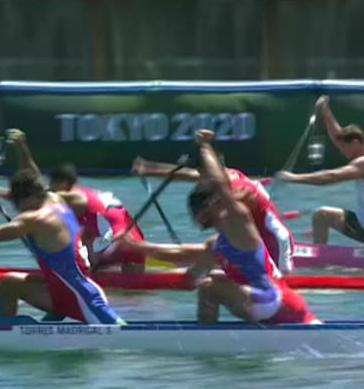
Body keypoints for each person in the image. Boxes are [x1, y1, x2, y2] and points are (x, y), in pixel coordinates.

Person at [123, 130, 316, 325]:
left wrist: (204, 145)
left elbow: (219, 184)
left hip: (273, 243)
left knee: (212, 286)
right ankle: (218, 334)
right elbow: (184, 262)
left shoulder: (234, 202)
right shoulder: (216, 237)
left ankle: (209, 336)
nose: (194, 217)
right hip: (268, 287)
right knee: (215, 279)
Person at [0, 169, 124, 324]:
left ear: (27, 199)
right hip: (69, 290)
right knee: (9, 282)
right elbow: (31, 176)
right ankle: (6, 327)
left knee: (118, 329)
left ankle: (9, 332)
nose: (16, 209)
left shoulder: (37, 218)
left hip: (79, 300)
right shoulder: (56, 199)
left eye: (17, 203)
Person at [0, 129, 146, 272]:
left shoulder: (70, 198)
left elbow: (34, 189)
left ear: (64, 183)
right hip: (131, 240)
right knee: (129, 291)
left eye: (54, 183)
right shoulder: (78, 193)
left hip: (119, 243)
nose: (50, 187)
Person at [275, 95, 364, 249]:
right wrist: (326, 113)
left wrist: (294, 178)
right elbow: (338, 137)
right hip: (362, 226)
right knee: (322, 215)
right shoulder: (360, 154)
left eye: (344, 148)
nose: (342, 152)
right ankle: (320, 258)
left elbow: (330, 177)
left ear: (355, 143)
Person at [131, 155, 295, 274]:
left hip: (274, 241)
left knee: (281, 288)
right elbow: (186, 174)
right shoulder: (222, 175)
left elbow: (214, 212)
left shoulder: (236, 188)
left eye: (202, 175)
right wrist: (150, 169)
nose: (199, 179)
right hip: (251, 243)